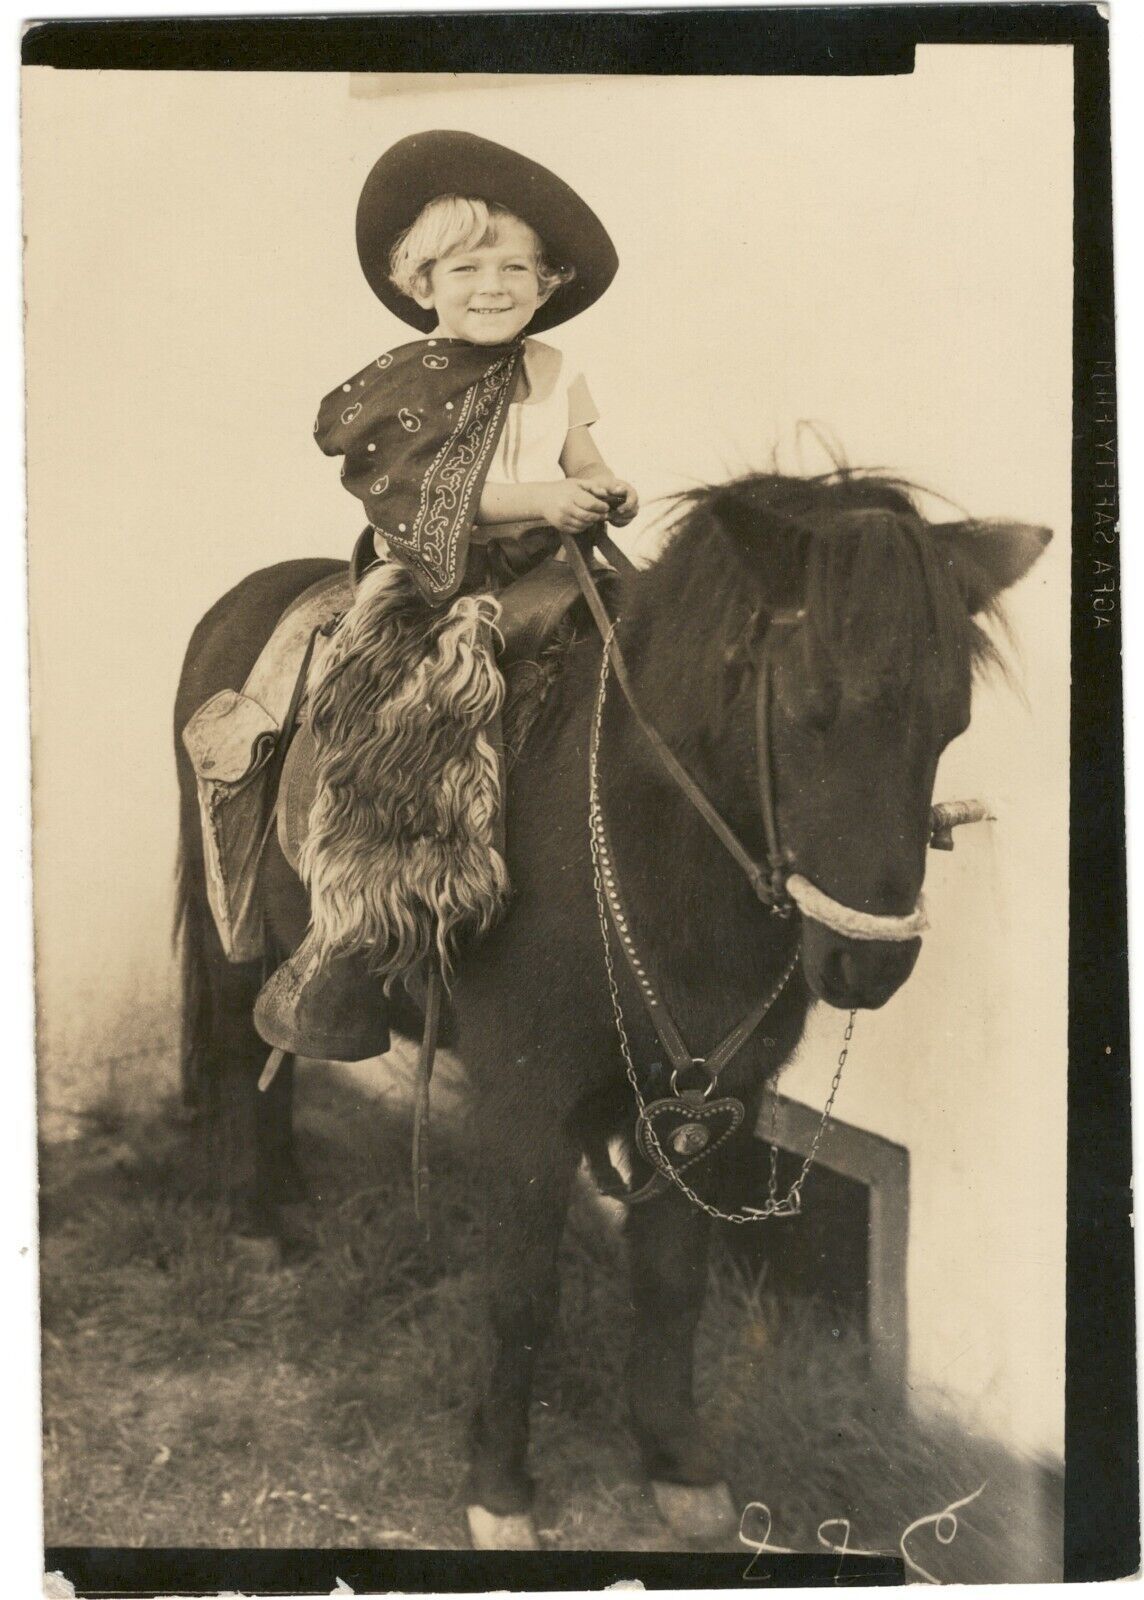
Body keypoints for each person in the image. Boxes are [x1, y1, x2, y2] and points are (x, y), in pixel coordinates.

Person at [254, 131, 637, 1060]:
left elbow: (577, 454)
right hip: (434, 575)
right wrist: (542, 499)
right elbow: (435, 500)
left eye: (517, 266)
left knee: (651, 651)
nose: (494, 285)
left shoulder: (554, 369)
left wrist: (607, 485)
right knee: (405, 706)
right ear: (423, 284)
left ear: (548, 282)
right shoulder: (402, 384)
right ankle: (360, 925)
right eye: (467, 267)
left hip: (547, 563)